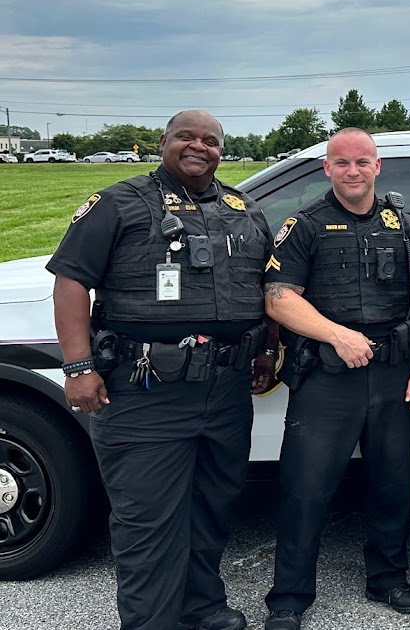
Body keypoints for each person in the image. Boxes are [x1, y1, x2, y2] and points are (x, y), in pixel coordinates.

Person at [50, 110, 277, 630]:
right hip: (143, 392)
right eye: (187, 137)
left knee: (212, 508)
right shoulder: (117, 202)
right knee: (147, 523)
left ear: (223, 149)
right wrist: (78, 366)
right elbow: (70, 281)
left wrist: (267, 350)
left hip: (224, 392)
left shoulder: (243, 208)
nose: (199, 147)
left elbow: (267, 289)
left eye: (211, 141)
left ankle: (201, 607)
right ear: (164, 142)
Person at [260, 128, 410, 630]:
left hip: (395, 373)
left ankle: (388, 580)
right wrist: (337, 335)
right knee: (305, 488)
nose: (353, 171)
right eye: (342, 163)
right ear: (327, 169)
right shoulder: (304, 226)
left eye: (362, 162)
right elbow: (278, 297)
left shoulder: (406, 225)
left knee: (393, 484)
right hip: (327, 378)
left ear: (378, 166)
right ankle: (289, 598)